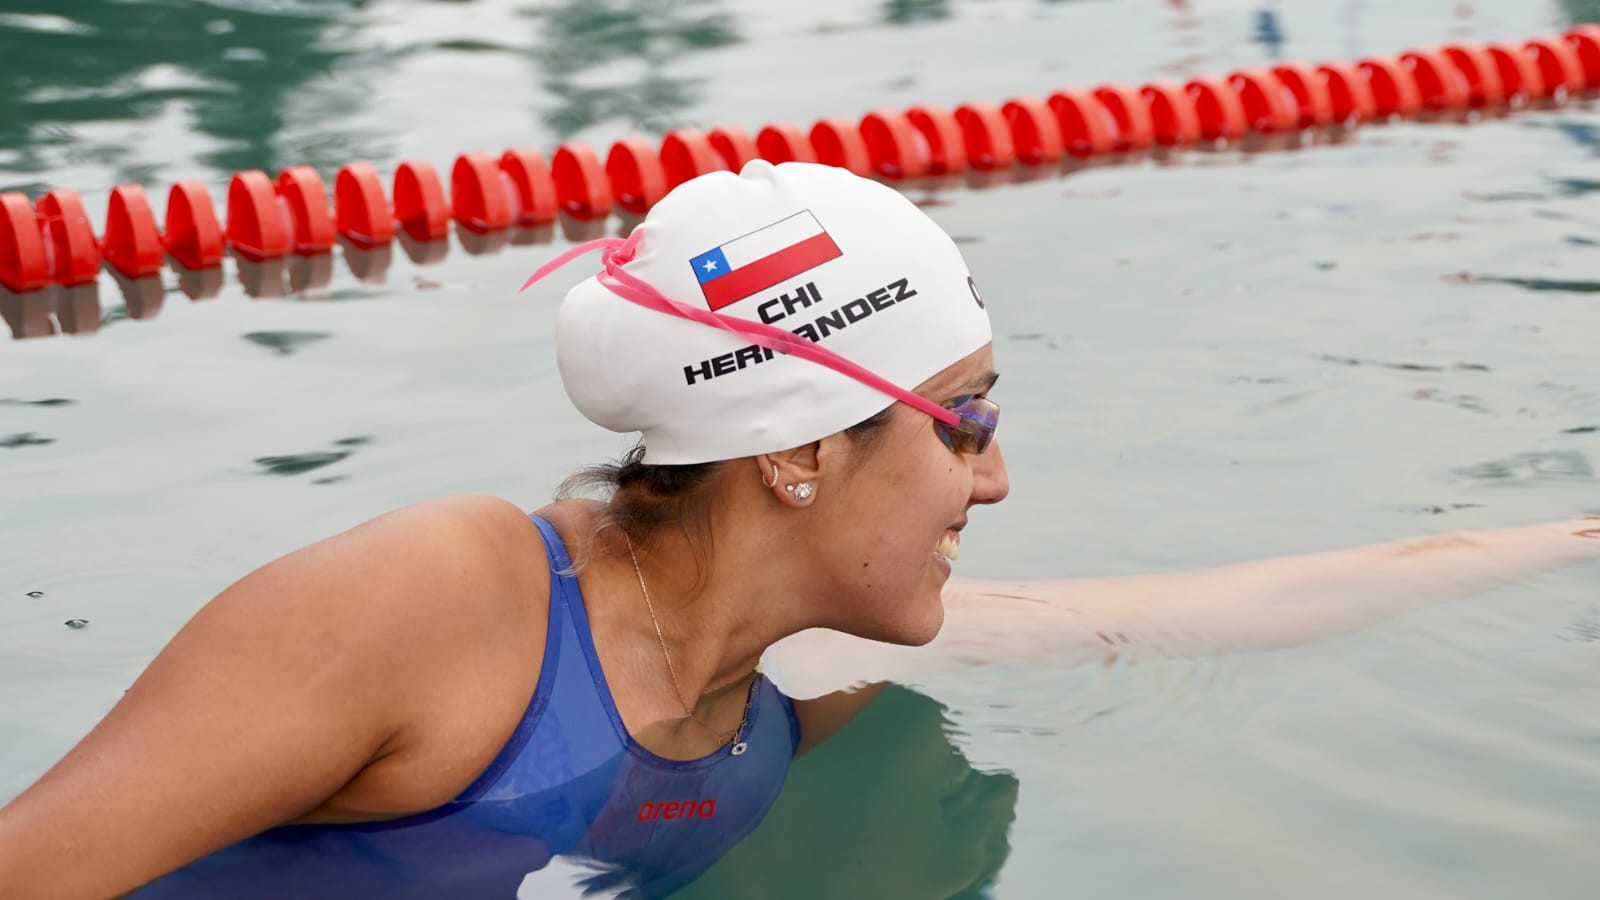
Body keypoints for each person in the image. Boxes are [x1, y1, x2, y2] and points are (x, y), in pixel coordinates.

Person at [0, 161, 1595, 900]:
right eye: (965, 415)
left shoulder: (789, 678)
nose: (995, 479)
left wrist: (1581, 539)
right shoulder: (446, 600)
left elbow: (1195, 612)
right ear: (804, 453)